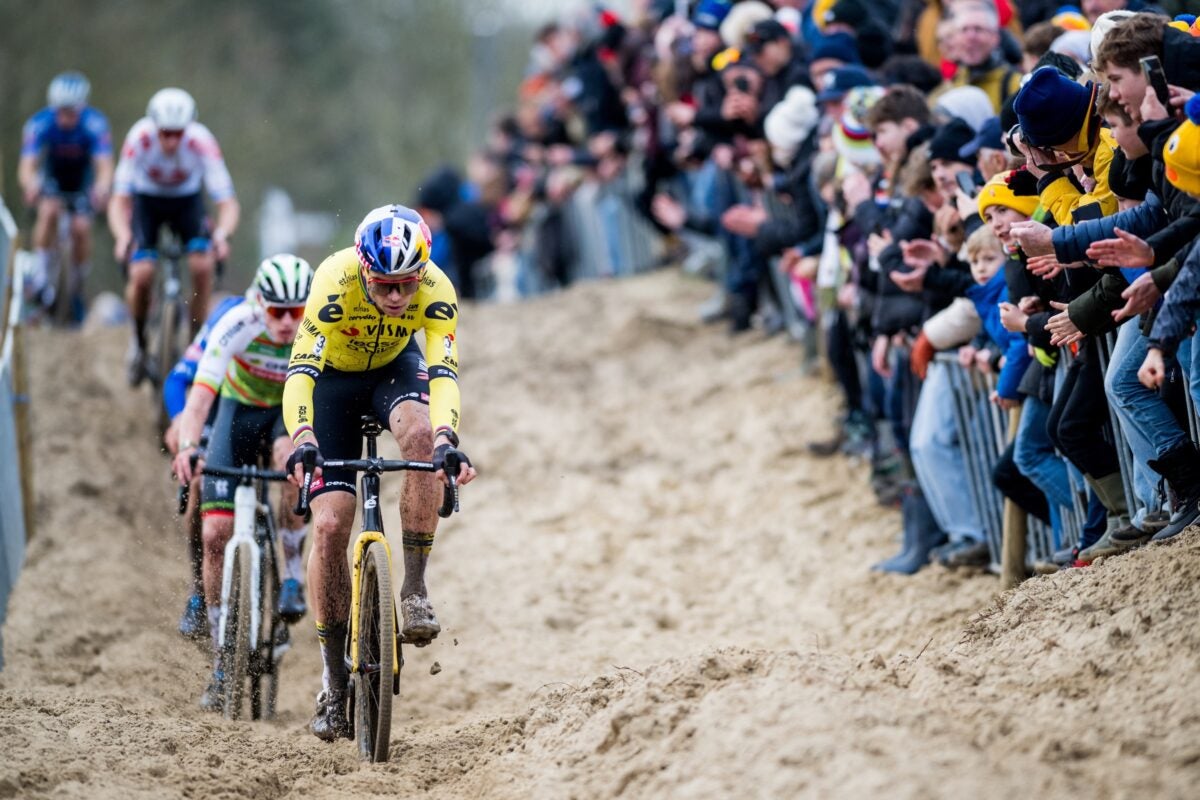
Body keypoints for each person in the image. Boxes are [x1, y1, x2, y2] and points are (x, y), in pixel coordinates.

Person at [280, 204, 478, 741]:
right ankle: (332, 680)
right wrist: (303, 440)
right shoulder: (333, 280)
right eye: (384, 286)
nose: (396, 298)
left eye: (405, 286)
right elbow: (300, 375)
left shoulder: (436, 288)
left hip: (394, 369)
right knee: (327, 527)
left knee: (418, 437)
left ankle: (412, 589)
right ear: (364, 271)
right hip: (333, 388)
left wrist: (445, 440)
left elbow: (443, 373)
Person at [171, 255, 313, 711]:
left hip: (285, 418)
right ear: (258, 303)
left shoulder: (317, 330)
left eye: (298, 311)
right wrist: (188, 446)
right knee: (214, 533)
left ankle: (291, 575)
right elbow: (197, 400)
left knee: (292, 458)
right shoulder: (236, 322)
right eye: (277, 312)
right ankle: (219, 658)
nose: (288, 322)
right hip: (237, 415)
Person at [108, 87, 240, 386]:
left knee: (202, 266)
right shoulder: (139, 139)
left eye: (178, 133)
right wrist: (122, 235)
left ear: (188, 129)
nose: (171, 140)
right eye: (165, 133)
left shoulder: (202, 142)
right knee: (141, 273)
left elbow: (227, 202)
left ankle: (196, 344)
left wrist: (222, 235)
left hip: (187, 203)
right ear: (154, 127)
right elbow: (119, 200)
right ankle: (139, 341)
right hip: (147, 203)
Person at [162, 292, 246, 641]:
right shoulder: (223, 325)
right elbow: (177, 380)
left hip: (259, 411)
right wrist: (181, 422)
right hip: (212, 411)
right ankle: (199, 588)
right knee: (199, 483)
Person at [18, 71, 113, 321]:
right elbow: (27, 165)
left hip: (82, 182)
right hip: (52, 179)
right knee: (48, 211)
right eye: (60, 111)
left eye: (71, 112)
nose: (65, 117)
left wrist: (102, 189)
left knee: (81, 228)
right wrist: (31, 185)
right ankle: (40, 274)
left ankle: (78, 279)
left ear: (81, 108)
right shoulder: (39, 123)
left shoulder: (95, 124)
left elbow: (104, 166)